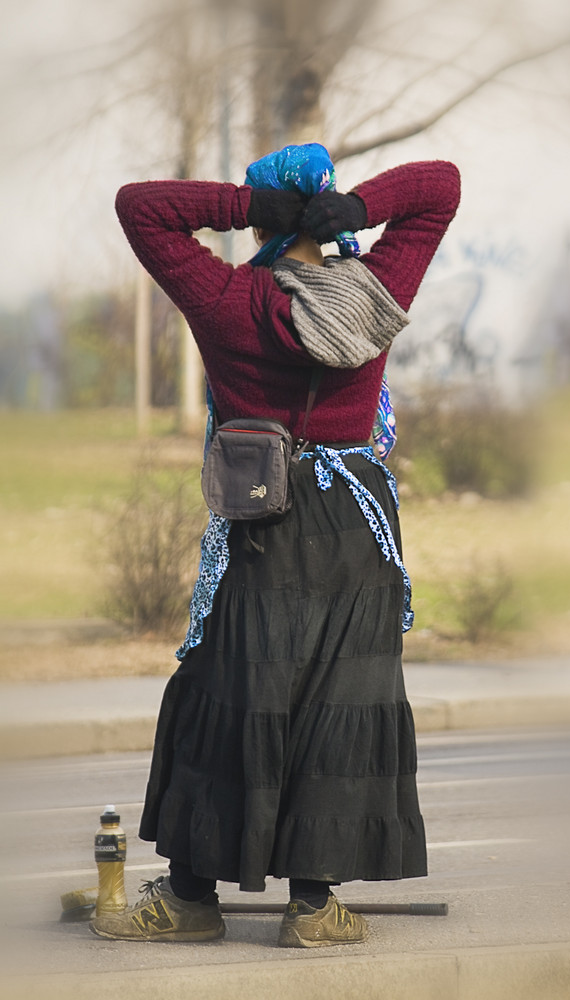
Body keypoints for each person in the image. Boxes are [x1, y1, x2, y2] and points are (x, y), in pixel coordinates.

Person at [91, 143, 461, 947]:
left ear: (268, 213)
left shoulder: (226, 299)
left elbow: (139, 204)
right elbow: (440, 186)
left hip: (262, 521)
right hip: (355, 532)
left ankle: (190, 899)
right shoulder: (373, 291)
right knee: (336, 702)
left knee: (230, 694)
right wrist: (359, 209)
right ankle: (312, 908)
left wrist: (240, 205)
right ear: (324, 215)